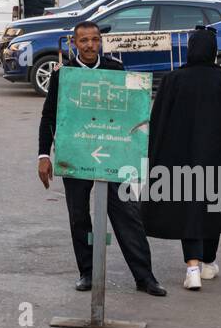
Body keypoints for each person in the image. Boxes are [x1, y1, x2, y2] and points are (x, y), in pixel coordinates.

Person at [37, 22, 165, 296]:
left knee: (128, 215)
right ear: (74, 43)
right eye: (84, 40)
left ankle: (145, 277)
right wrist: (44, 155)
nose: (90, 45)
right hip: (76, 155)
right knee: (79, 216)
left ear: (100, 42)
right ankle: (87, 272)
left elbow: (134, 113)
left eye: (95, 40)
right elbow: (49, 116)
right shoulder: (64, 76)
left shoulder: (116, 70)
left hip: (114, 155)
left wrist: (139, 152)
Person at [143, 27, 221, 290]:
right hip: (219, 158)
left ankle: (192, 267)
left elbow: (158, 122)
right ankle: (208, 261)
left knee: (187, 210)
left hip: (179, 158)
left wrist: (152, 156)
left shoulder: (173, 79)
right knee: (212, 209)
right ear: (213, 52)